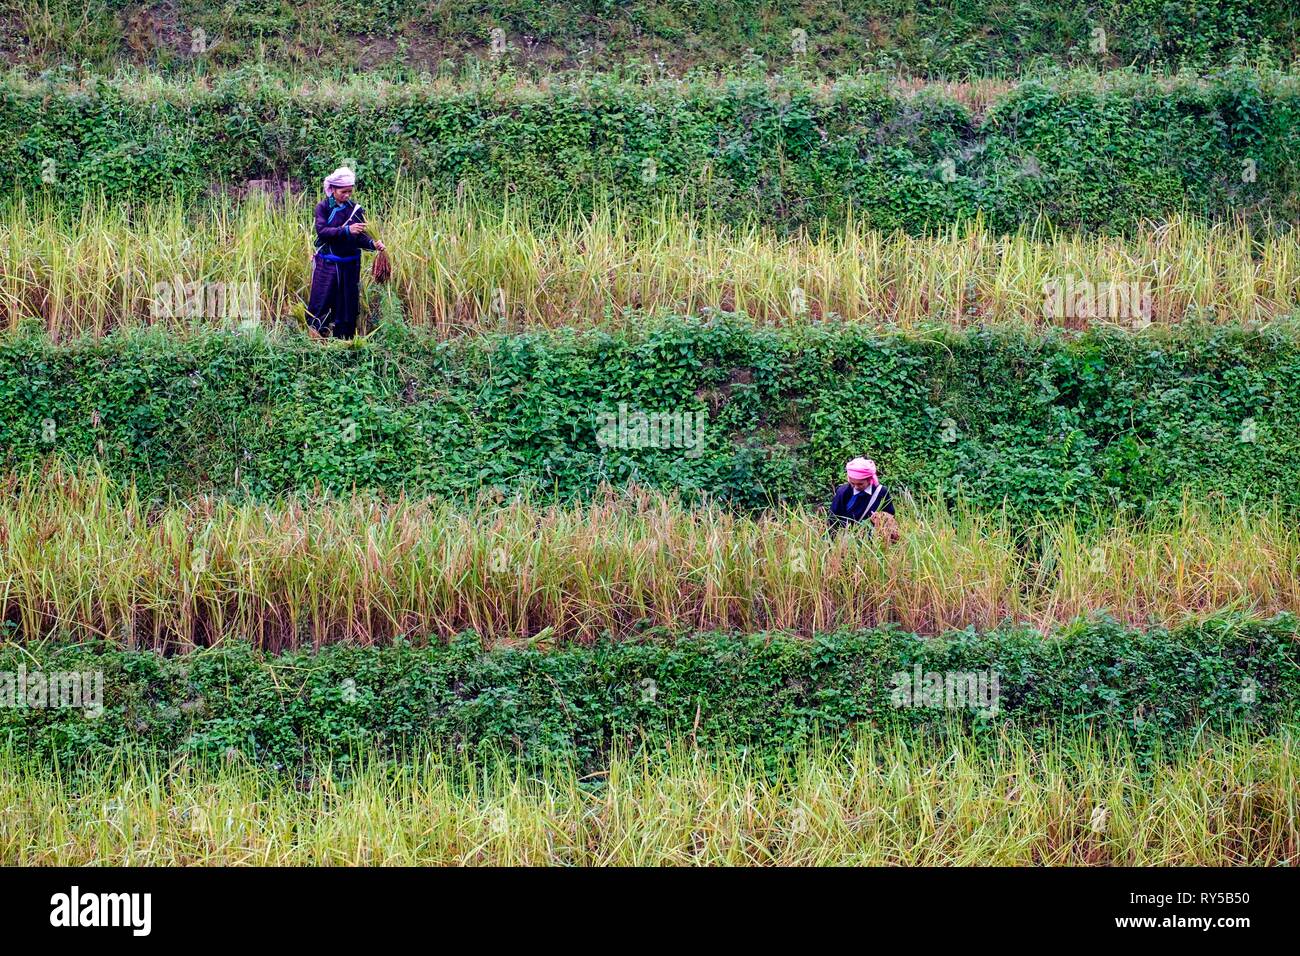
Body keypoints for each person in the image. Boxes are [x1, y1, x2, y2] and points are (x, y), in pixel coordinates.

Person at [306, 167, 386, 339]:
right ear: (333, 189)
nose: (347, 195)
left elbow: (360, 237)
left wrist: (373, 243)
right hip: (328, 264)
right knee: (322, 301)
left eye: (350, 191)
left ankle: (344, 342)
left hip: (350, 265)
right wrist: (347, 231)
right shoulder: (323, 207)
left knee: (347, 304)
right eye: (344, 192)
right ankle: (316, 339)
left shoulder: (355, 210)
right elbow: (322, 232)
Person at [828, 457, 895, 533]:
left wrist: (879, 517)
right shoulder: (843, 492)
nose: (856, 487)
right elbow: (833, 519)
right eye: (852, 483)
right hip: (847, 538)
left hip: (873, 539)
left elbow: (890, 516)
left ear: (870, 480)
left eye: (860, 484)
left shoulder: (881, 492)